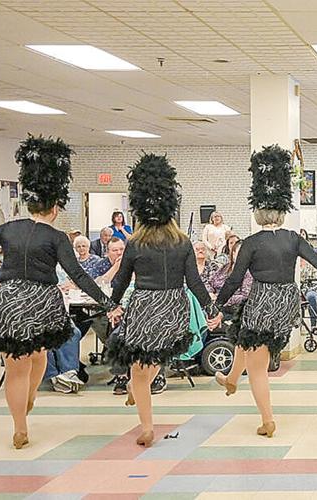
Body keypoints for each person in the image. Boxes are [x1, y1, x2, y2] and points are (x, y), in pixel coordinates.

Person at [0, 136, 113, 449]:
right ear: (55, 208)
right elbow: (78, 275)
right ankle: (29, 399)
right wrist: (106, 301)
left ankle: (20, 424)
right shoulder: (56, 237)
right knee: (39, 355)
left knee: (15, 365)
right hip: (42, 300)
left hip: (10, 298)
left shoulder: (8, 228)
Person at [213, 145, 317, 439]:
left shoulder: (251, 242)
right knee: (244, 336)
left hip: (262, 299)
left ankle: (267, 419)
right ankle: (232, 379)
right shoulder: (293, 239)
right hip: (287, 300)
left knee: (257, 365)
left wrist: (218, 304)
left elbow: (235, 279)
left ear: (258, 211)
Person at [105, 153, 222, 448]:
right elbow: (194, 282)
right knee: (158, 357)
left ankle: (146, 424)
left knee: (140, 364)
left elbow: (120, 280)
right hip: (174, 306)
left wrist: (112, 306)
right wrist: (211, 309)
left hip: (144, 304)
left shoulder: (135, 243)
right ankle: (136, 386)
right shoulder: (182, 242)